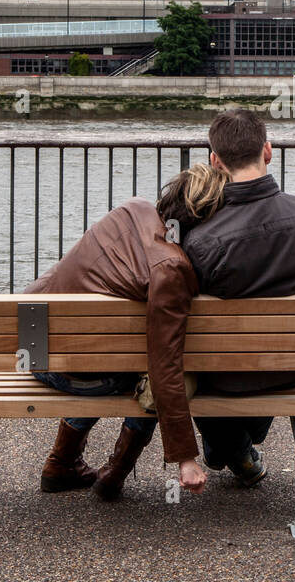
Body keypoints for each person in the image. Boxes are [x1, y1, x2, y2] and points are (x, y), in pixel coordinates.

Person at [30, 164, 228, 500]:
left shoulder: (133, 208)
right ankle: (115, 473)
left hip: (42, 354)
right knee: (155, 380)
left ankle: (61, 462)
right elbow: (164, 365)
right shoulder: (172, 268)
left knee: (101, 351)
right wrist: (185, 458)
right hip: (79, 375)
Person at [182, 109, 295, 485]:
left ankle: (231, 447)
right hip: (294, 366)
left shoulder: (199, 239)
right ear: (268, 151)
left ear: (215, 161)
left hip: (224, 373)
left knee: (200, 356)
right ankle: (236, 448)